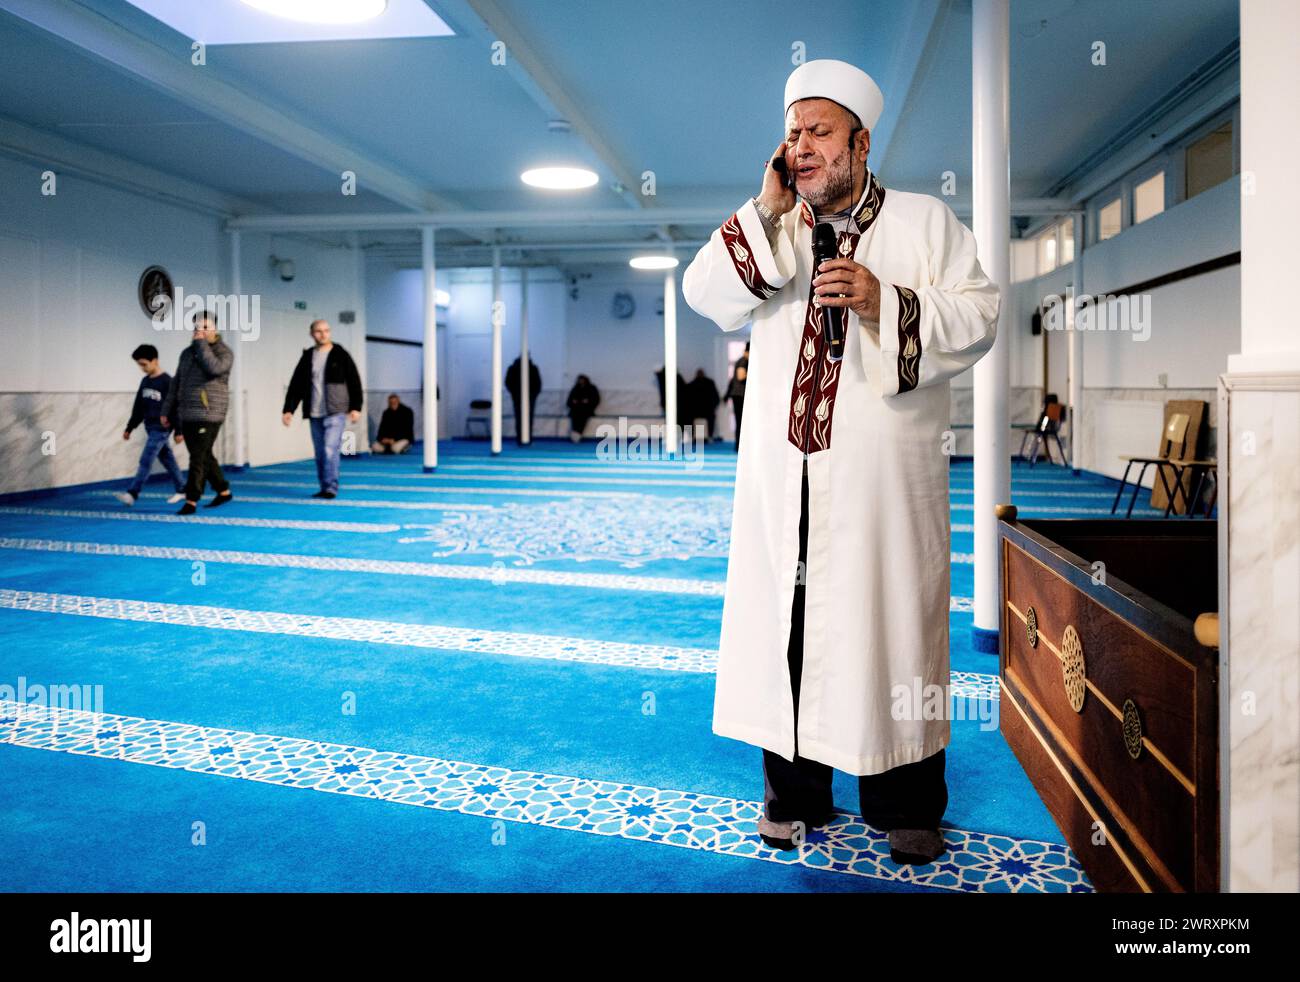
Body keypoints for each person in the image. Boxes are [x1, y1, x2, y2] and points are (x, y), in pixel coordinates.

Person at [682, 59, 998, 865]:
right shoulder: (774, 223)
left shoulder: (927, 223)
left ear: (861, 142)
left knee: (889, 631)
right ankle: (794, 796)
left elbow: (980, 314)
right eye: (792, 133)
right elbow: (705, 294)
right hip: (785, 484)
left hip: (884, 486)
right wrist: (763, 208)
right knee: (787, 632)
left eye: (819, 132)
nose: (801, 146)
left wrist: (881, 300)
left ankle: (905, 806)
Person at [160, 310, 235, 515]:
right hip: (188, 412)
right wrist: (166, 410)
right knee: (202, 454)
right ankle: (223, 490)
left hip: (210, 412)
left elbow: (213, 369)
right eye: (196, 328)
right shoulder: (186, 353)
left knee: (198, 457)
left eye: (204, 327)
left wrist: (201, 344)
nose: (199, 331)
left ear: (215, 329)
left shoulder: (224, 352)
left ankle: (191, 500)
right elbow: (177, 382)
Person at [282, 319, 363, 498]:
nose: (323, 334)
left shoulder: (340, 354)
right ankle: (324, 485)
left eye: (326, 330)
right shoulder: (308, 356)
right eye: (319, 331)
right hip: (314, 412)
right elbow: (296, 384)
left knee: (329, 449)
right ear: (312, 334)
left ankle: (330, 487)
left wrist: (356, 407)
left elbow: (354, 380)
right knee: (320, 453)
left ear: (330, 332)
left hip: (335, 411)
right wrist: (288, 410)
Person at [114, 344, 186, 507]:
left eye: (144, 364)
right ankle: (182, 488)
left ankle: (133, 493)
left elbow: (176, 407)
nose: (142, 368)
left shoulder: (167, 381)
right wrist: (129, 428)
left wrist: (179, 431)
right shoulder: (145, 381)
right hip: (150, 426)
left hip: (162, 429)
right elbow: (138, 406)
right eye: (139, 365)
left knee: (146, 459)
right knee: (167, 459)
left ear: (155, 361)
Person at [505, 356, 542, 445]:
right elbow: (508, 382)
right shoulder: (513, 368)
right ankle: (520, 438)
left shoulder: (533, 368)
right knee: (519, 418)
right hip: (518, 397)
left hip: (530, 397)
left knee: (527, 419)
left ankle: (527, 438)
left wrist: (533, 395)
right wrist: (514, 393)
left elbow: (538, 383)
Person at [686, 368, 721, 441]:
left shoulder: (692, 384)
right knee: (711, 417)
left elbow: (716, 397)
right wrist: (713, 407)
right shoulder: (709, 383)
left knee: (688, 416)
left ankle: (691, 436)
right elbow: (716, 397)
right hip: (706, 410)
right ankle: (710, 436)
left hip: (697, 410)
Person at [565, 375, 601, 443]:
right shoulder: (575, 388)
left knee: (583, 417)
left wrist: (588, 402)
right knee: (575, 417)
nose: (581, 381)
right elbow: (569, 401)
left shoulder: (591, 388)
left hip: (586, 409)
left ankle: (577, 433)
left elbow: (596, 400)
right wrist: (574, 402)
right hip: (575, 409)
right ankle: (576, 432)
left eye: (582, 380)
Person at [726, 344, 749, 445]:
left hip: (738, 395)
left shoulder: (742, 361)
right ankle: (739, 445)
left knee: (740, 421)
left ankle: (739, 445)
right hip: (740, 395)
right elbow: (740, 376)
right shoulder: (743, 361)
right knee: (741, 421)